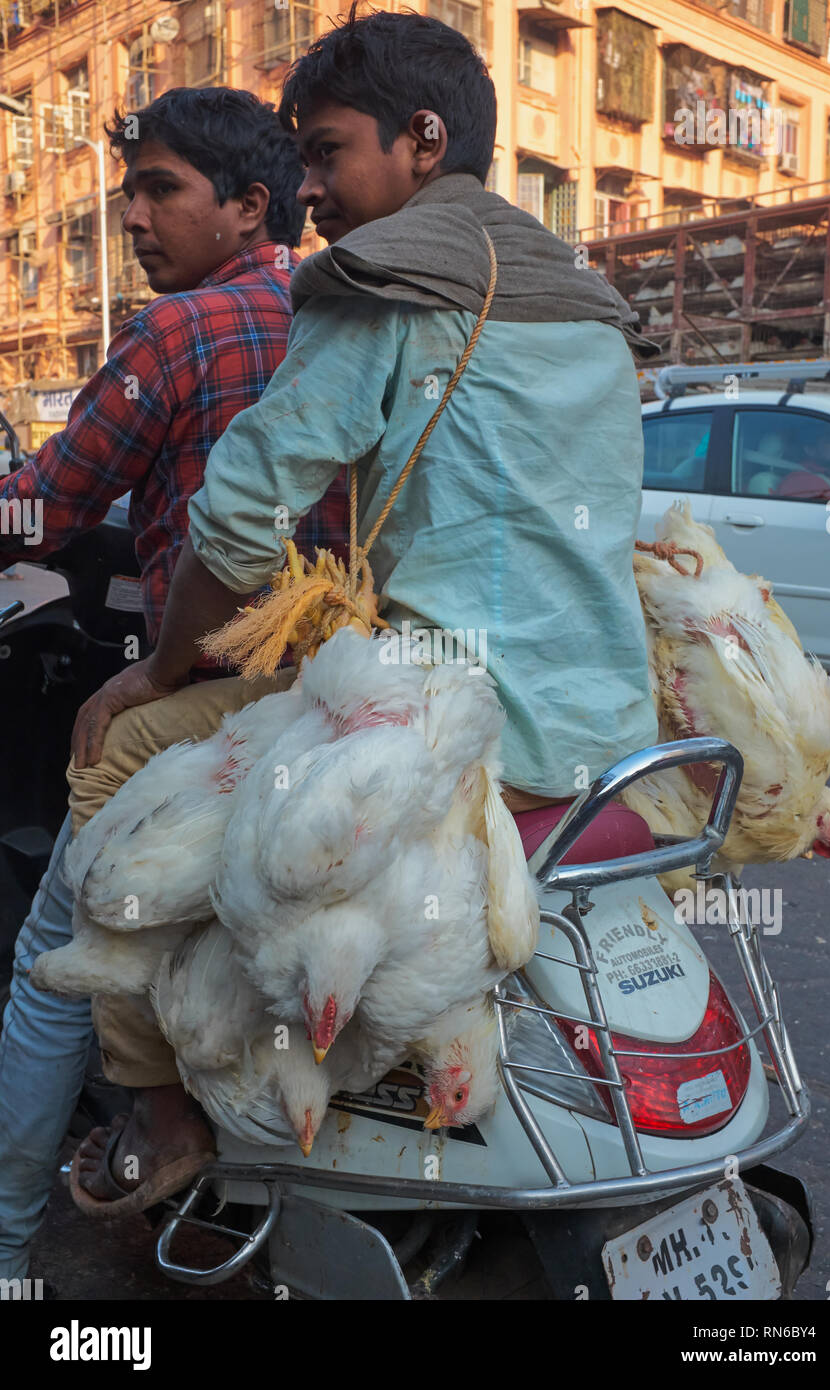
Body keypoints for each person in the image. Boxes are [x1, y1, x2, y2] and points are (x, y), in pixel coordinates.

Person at [68, 6, 659, 1213]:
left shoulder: (384, 276)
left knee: (118, 748)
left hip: (462, 730)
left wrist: (160, 666)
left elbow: (238, 520)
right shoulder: (587, 301)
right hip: (616, 733)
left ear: (422, 139)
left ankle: (162, 1111)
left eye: (327, 151)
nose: (307, 186)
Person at [0, 86, 346, 1279]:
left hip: (210, 705)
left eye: (160, 190)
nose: (135, 216)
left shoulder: (178, 332)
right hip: (350, 704)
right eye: (130, 191)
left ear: (251, 206)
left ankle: (5, 1248)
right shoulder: (339, 314)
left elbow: (49, 502)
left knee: (55, 968)